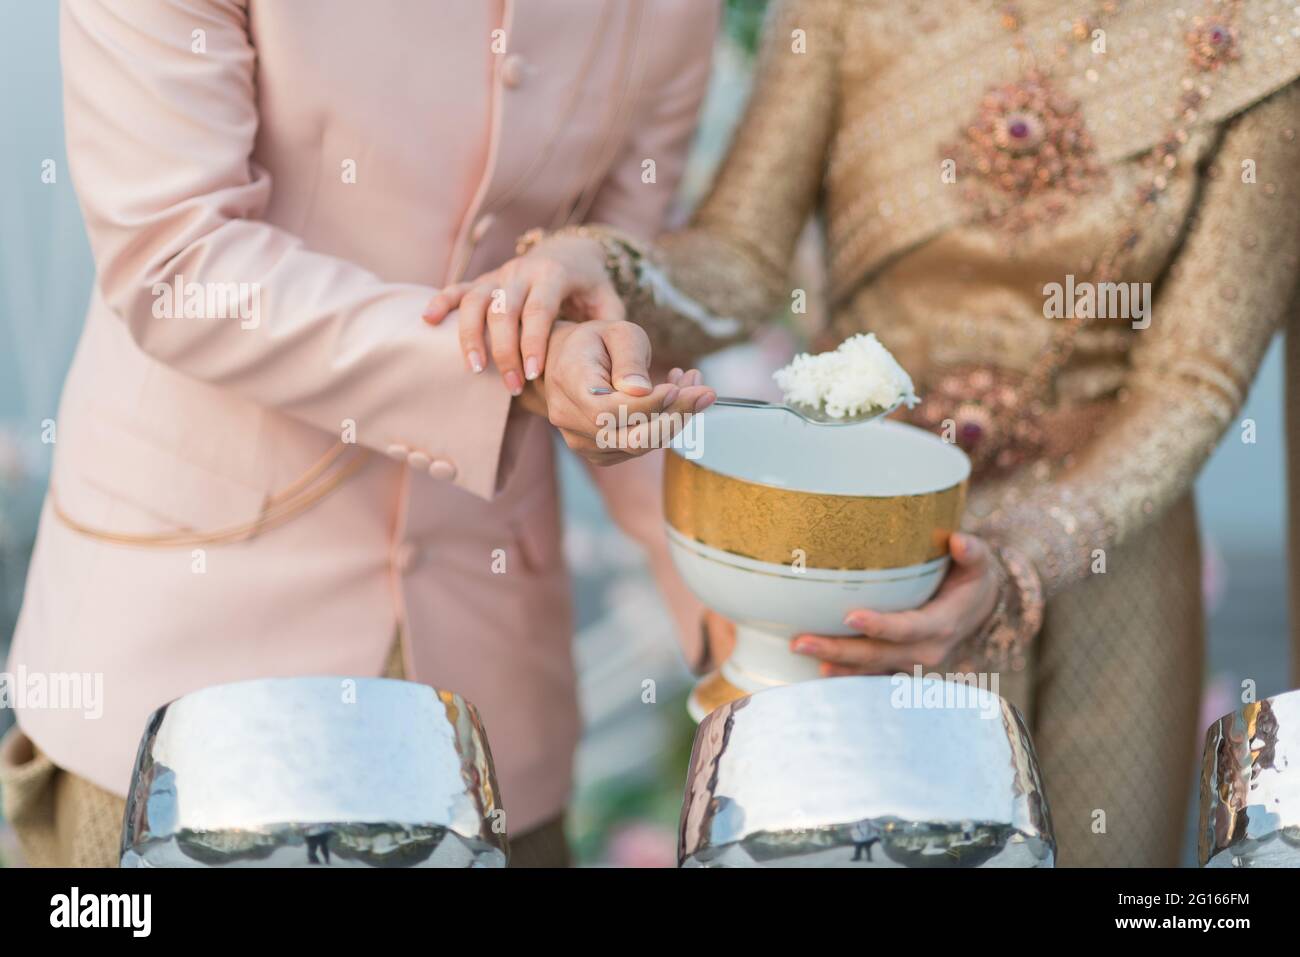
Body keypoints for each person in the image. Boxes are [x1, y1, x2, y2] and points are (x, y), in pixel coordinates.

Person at [429, 0, 1300, 865]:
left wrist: (1020, 558)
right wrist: (603, 269)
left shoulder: (1263, 37)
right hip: (860, 552)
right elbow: (740, 260)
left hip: (1107, 574)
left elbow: (1193, 381)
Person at [0, 0, 719, 868]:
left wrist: (741, 623)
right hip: (176, 690)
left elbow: (614, 308)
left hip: (491, 718)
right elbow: (174, 262)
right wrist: (513, 372)